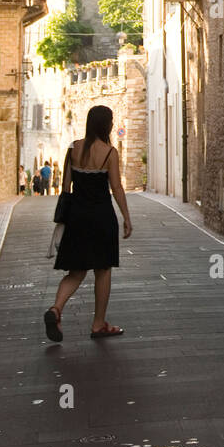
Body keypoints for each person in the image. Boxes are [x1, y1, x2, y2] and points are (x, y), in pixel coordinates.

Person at [44, 105, 132, 342]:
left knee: (76, 271)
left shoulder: (73, 148)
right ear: (106, 125)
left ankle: (56, 309)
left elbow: (65, 187)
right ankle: (98, 323)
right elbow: (117, 188)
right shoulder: (109, 153)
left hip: (76, 217)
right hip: (102, 217)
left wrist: (65, 217)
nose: (113, 125)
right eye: (111, 121)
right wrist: (126, 218)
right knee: (103, 270)